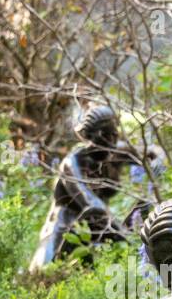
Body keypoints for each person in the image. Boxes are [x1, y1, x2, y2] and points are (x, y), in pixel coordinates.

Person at [29, 101, 147, 272]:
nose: (112, 139)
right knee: (50, 275)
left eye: (114, 134)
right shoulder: (72, 163)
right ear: (93, 136)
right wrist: (124, 235)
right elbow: (91, 205)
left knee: (144, 207)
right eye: (107, 135)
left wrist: (155, 166)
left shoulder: (114, 153)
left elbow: (151, 155)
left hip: (96, 229)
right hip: (66, 232)